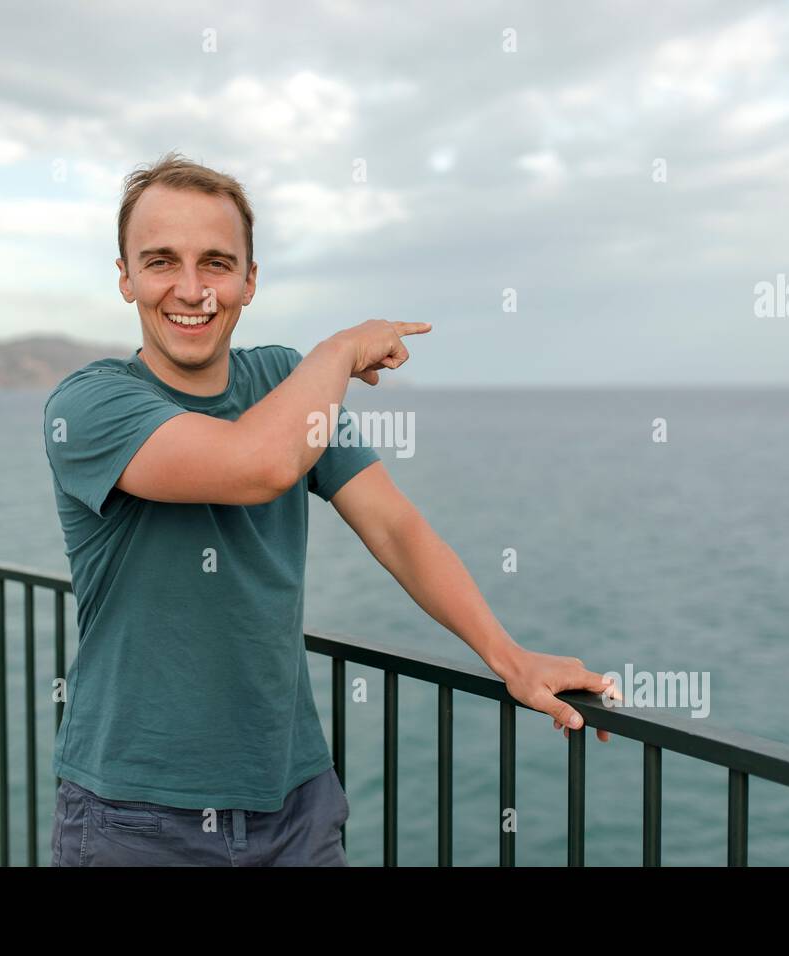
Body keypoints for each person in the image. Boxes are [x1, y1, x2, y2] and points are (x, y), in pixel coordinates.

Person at [44, 150, 619, 867]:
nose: (191, 289)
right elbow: (257, 465)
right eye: (161, 261)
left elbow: (394, 525)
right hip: (135, 816)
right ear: (125, 276)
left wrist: (511, 659)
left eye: (217, 264)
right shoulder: (88, 404)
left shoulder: (286, 380)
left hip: (294, 802)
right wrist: (343, 348)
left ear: (250, 281)